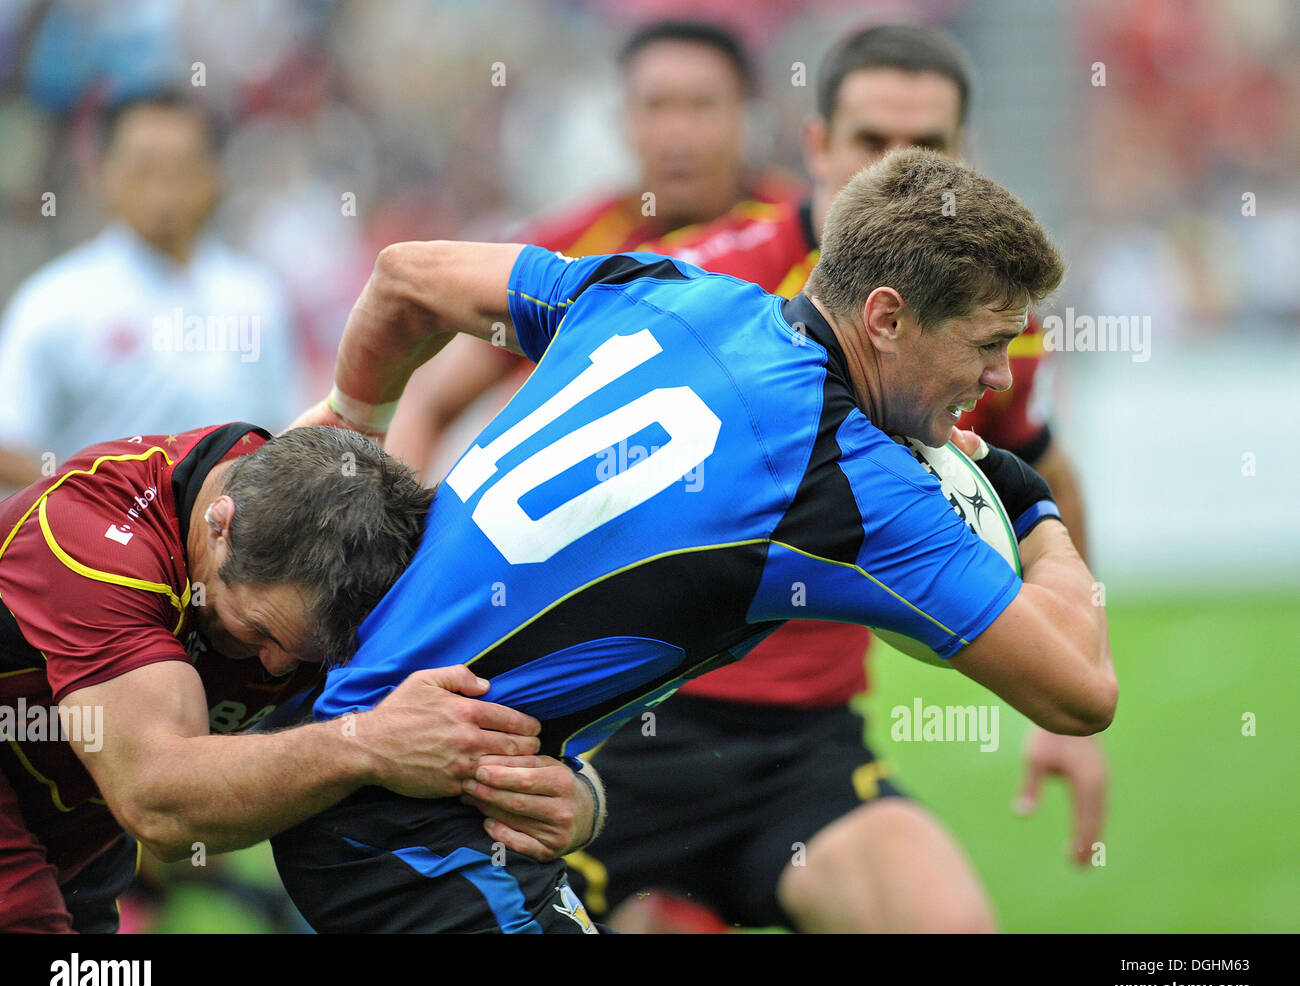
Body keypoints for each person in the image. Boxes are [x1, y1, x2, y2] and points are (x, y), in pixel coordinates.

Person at [276, 147, 1117, 934]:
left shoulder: (669, 286)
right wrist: (1028, 502)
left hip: (334, 733)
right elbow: (1081, 692)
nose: (1000, 377)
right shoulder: (857, 487)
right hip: (418, 829)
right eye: (987, 343)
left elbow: (404, 277)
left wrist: (352, 422)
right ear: (887, 317)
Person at [561, 22, 1105, 933]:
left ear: (964, 156)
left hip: (802, 750)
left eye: (926, 147)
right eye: (868, 142)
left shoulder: (982, 322)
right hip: (625, 729)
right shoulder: (710, 278)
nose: (898, 171)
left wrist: (1066, 676)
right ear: (817, 145)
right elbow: (465, 373)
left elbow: (1040, 471)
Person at [0, 423, 597, 933]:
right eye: (257, 632)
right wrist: (365, 743)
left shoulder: (357, 540)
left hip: (79, 828)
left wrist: (579, 796)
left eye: (309, 655)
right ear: (220, 525)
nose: (276, 672)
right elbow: (161, 806)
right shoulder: (89, 545)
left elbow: (494, 710)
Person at [386, 19, 799, 477]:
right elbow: (428, 402)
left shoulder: (802, 232)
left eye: (702, 106)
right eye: (656, 106)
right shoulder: (573, 244)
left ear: (748, 119)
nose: (678, 133)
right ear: (622, 121)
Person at [0, 92, 301, 491]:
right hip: (98, 548)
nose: (163, 188)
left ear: (214, 175)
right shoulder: (54, 303)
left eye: (181, 168)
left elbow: (283, 430)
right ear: (101, 174)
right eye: (144, 168)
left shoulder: (255, 296)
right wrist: (98, 504)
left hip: (230, 540)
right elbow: (8, 442)